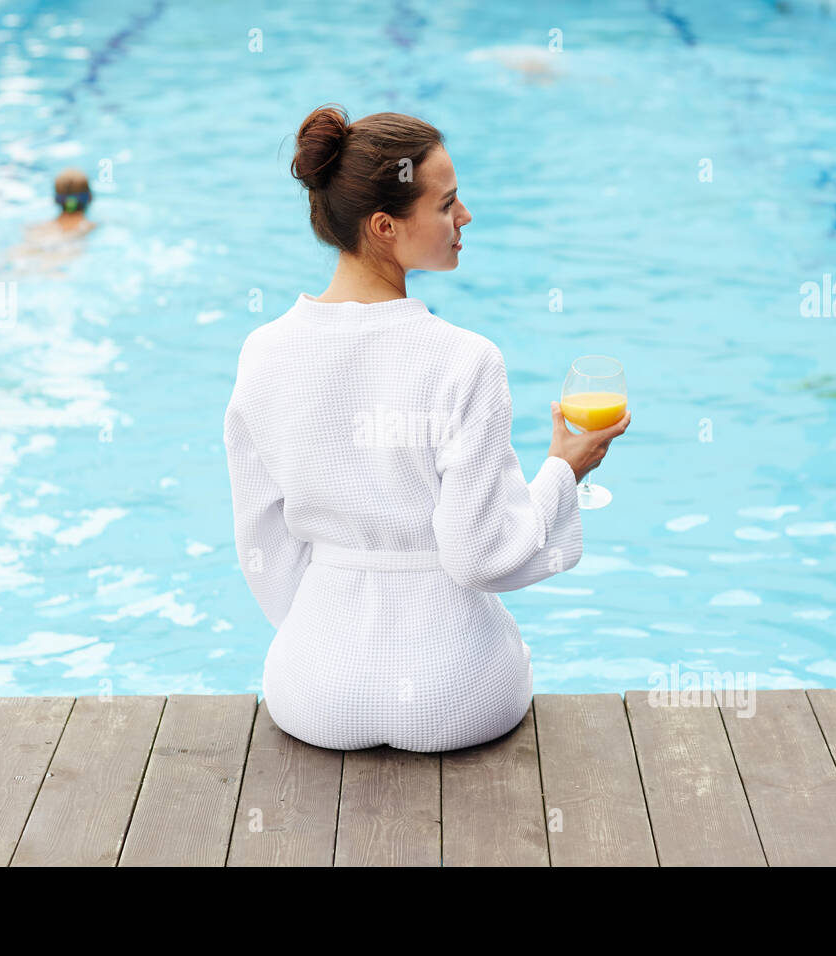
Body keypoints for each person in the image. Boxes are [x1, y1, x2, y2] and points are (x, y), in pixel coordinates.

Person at [224, 104, 631, 753]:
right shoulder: (467, 360)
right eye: (447, 204)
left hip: (313, 691)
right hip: (457, 691)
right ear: (386, 226)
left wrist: (321, 639)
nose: (464, 217)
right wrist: (563, 470)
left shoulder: (263, 353)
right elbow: (479, 556)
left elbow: (262, 545)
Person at [3, 168, 96, 275]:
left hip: (36, 242)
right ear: (90, 197)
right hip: (63, 248)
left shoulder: (37, 226)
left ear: (56, 200)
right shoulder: (88, 226)